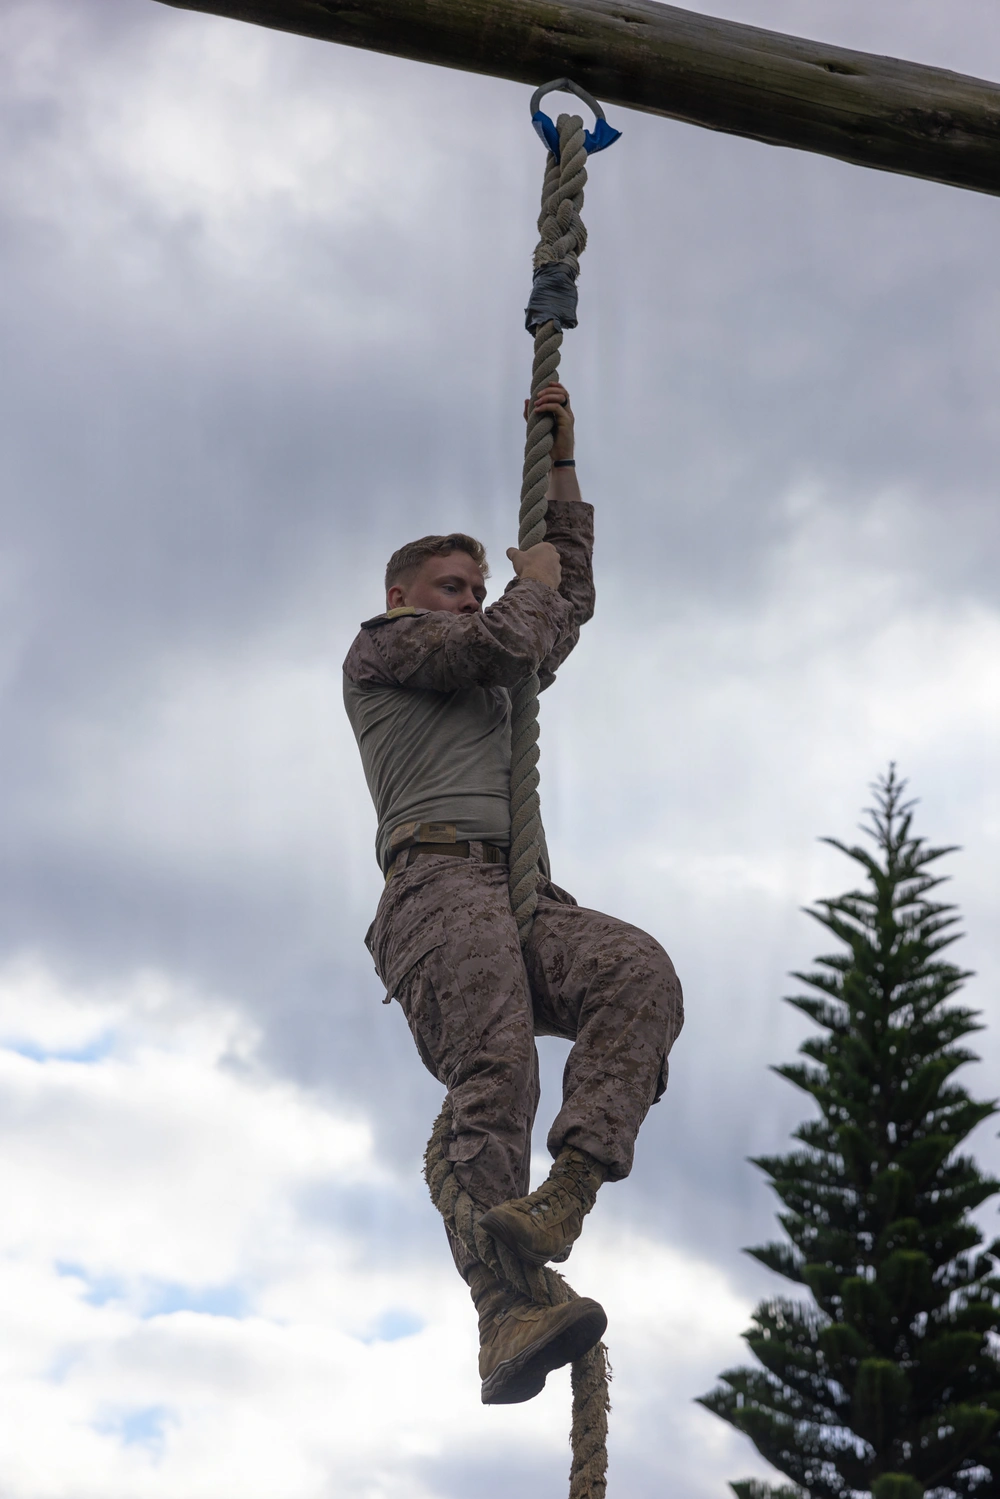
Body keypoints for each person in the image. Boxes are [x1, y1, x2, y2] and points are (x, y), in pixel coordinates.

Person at [343, 382, 684, 1405]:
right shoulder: (386, 647)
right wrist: (522, 590)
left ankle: (563, 1196)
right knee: (496, 1069)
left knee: (637, 973)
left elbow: (559, 606)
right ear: (403, 595)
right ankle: (502, 1309)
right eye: (451, 584)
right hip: (436, 886)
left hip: (518, 890)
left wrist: (562, 466)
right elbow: (507, 633)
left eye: (475, 583)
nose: (467, 596)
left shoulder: (500, 659)